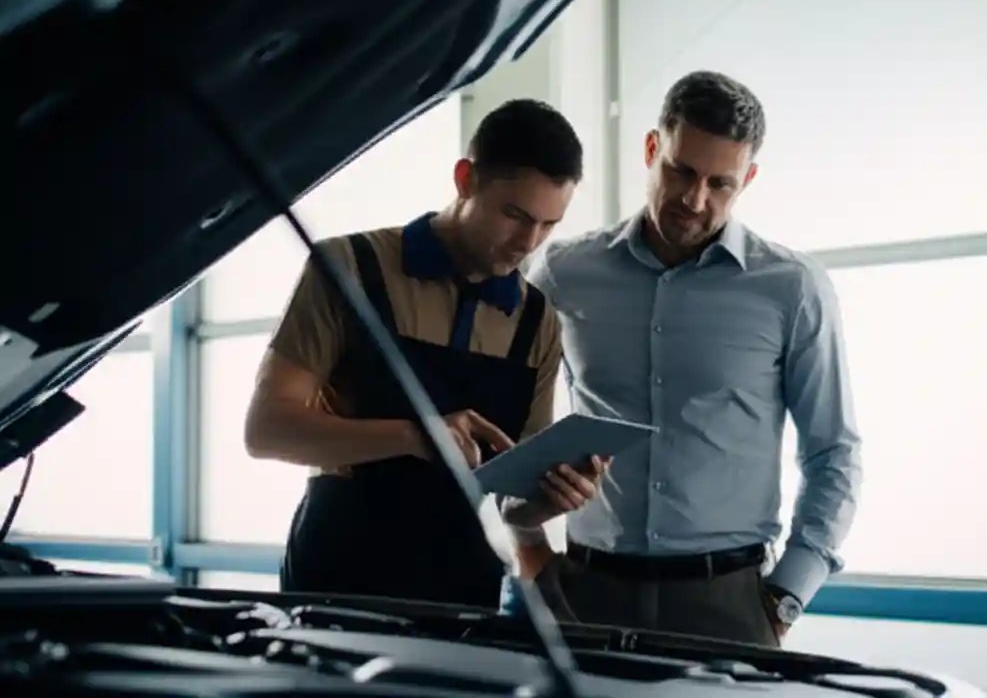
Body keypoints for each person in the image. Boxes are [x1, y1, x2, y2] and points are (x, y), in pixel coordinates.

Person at [504, 71, 861, 646]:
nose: (696, 200)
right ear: (652, 149)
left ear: (748, 179)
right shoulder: (563, 274)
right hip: (585, 593)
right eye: (681, 172)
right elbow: (513, 422)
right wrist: (528, 547)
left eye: (721, 184)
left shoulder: (792, 288)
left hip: (730, 602)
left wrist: (786, 597)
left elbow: (833, 452)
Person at [244, 98, 609, 608]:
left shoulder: (537, 320)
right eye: (514, 215)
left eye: (549, 224)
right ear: (465, 179)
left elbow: (513, 502)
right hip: (336, 581)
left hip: (465, 592)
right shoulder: (348, 268)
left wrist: (546, 503)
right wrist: (418, 435)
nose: (528, 242)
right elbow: (265, 431)